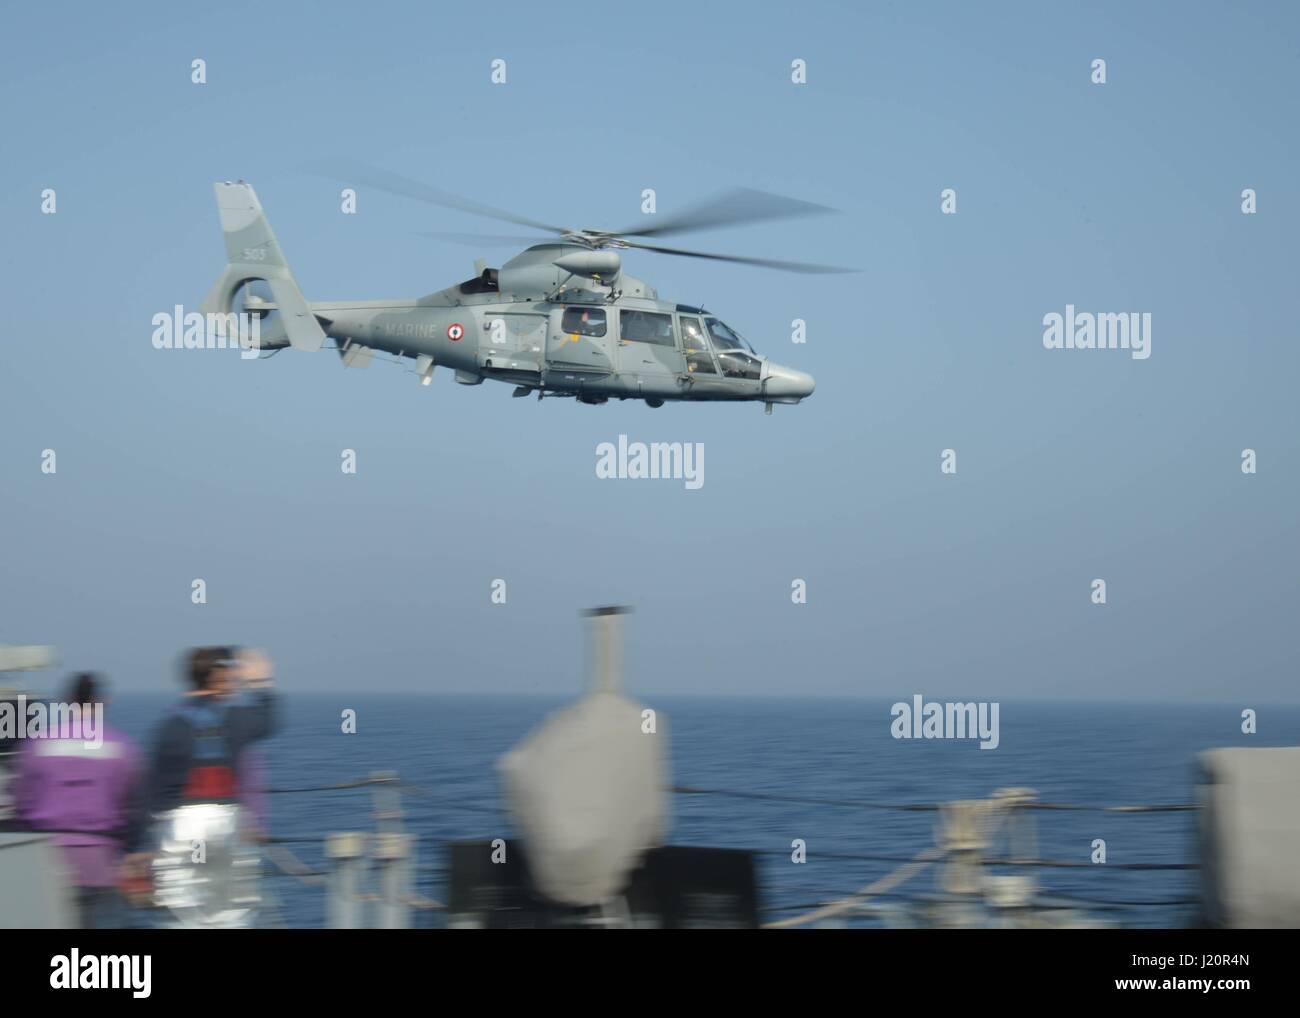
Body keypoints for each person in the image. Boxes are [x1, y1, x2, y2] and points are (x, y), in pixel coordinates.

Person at [121, 647, 278, 926]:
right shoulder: (236, 721)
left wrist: (140, 846)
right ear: (218, 677)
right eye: (230, 673)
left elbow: (150, 794)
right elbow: (269, 721)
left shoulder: (169, 728)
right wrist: (261, 681)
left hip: (179, 831)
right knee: (232, 916)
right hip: (227, 829)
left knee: (183, 915)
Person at [13, 672, 143, 929]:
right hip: (100, 865)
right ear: (102, 702)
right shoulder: (121, 747)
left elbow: (21, 802)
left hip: (46, 864)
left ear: (68, 702)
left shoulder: (37, 745)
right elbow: (133, 808)